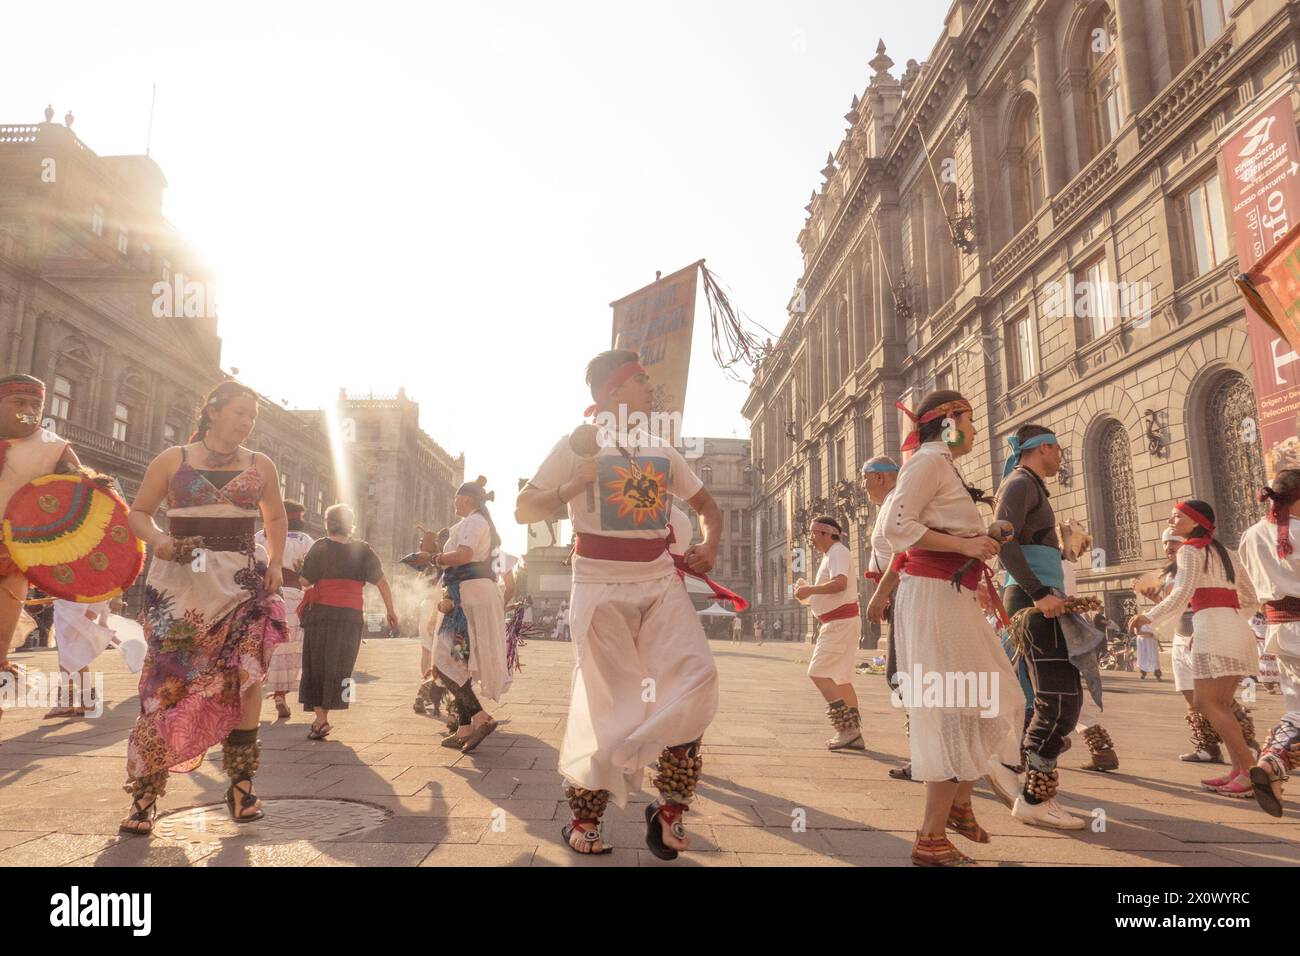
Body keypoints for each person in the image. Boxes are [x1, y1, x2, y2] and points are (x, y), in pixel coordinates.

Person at [515, 349, 722, 859]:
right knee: (607, 705)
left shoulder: (661, 451)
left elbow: (708, 506)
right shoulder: (575, 444)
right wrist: (571, 485)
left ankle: (670, 807)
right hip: (599, 584)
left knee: (697, 678)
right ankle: (585, 822)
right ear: (612, 391)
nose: (650, 389)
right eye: (640, 380)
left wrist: (711, 545)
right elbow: (524, 508)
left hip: (659, 581)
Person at [120, 381, 288, 835]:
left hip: (241, 582)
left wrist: (274, 561)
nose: (247, 422)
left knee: (247, 675)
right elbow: (139, 513)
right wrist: (159, 541)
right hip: (180, 584)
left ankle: (241, 785)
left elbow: (275, 517)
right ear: (212, 412)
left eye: (252, 416)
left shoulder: (260, 464)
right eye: (239, 412)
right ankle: (146, 795)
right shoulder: (172, 459)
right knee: (165, 685)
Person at [884, 390, 1025, 865]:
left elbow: (935, 529)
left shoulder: (942, 465)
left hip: (952, 593)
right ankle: (930, 838)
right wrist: (966, 548)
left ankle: (960, 802)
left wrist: (972, 555)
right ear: (947, 421)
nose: (974, 427)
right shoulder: (926, 462)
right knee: (949, 705)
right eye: (969, 417)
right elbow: (895, 526)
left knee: (994, 697)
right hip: (931, 597)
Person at [1129, 500, 1260, 797]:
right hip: (1237, 631)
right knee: (1221, 705)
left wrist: (1146, 616)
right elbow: (1251, 599)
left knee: (1206, 703)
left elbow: (1181, 596)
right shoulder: (1227, 553)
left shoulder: (1189, 550)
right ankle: (1238, 770)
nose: (1172, 521)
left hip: (1213, 631)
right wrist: (1234, 620)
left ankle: (1251, 771)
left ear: (1195, 521)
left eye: (1177, 517)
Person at [992, 424, 1086, 830]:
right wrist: (1038, 592)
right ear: (1042, 447)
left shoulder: (1028, 484)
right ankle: (1032, 795)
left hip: (1041, 596)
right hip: (1036, 600)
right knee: (1059, 697)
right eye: (1058, 450)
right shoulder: (1019, 483)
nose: (1061, 457)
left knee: (1048, 694)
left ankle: (1024, 777)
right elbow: (1002, 540)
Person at [0, 376, 86, 691]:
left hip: (12, 555)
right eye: (18, 403)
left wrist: (90, 481)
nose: (29, 411)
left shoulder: (53, 447)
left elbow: (85, 487)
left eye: (36, 405)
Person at [298, 503, 398, 740]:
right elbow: (382, 583)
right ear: (350, 525)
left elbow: (304, 580)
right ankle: (332, 709)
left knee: (316, 664)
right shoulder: (363, 550)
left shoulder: (320, 547)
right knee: (342, 664)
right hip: (351, 616)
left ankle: (320, 719)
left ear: (327, 524)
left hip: (321, 614)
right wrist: (391, 611)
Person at [1235, 470, 1300, 815]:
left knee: (1297, 707)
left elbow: (1246, 590)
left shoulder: (1251, 534)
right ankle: (1274, 761)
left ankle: (1272, 765)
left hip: (1280, 629)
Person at [431, 477, 510, 753]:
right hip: (465, 595)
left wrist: (437, 559)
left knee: (444, 660)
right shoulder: (471, 523)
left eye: (456, 498)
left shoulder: (474, 523)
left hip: (468, 598)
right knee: (457, 661)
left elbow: (464, 555)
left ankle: (481, 718)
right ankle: (464, 727)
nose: (453, 502)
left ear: (467, 500)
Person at [796, 516, 864, 750]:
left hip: (839, 624)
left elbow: (840, 584)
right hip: (841, 621)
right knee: (841, 679)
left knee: (818, 672)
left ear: (826, 533)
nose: (811, 539)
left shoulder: (837, 552)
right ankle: (854, 734)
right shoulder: (834, 554)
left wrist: (809, 590)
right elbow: (834, 591)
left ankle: (848, 730)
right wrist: (810, 594)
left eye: (813, 534)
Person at [1058, 521, 1120, 772]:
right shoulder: (1063, 564)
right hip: (1066, 633)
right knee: (1058, 693)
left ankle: (1051, 741)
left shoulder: (1056, 564)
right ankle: (1098, 748)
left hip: (1057, 633)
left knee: (1055, 692)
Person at [862, 455, 910, 779]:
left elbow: (901, 551)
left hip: (905, 593)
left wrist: (881, 594)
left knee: (900, 673)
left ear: (879, 477)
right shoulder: (889, 503)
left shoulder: (896, 501)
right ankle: (928, 751)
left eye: (864, 478)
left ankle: (929, 753)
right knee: (901, 673)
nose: (862, 485)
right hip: (899, 594)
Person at [256, 500, 314, 719]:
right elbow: (310, 575)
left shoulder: (260, 536)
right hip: (292, 596)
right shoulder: (304, 540)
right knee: (286, 647)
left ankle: (250, 693)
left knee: (261, 646)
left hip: (262, 597)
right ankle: (280, 694)